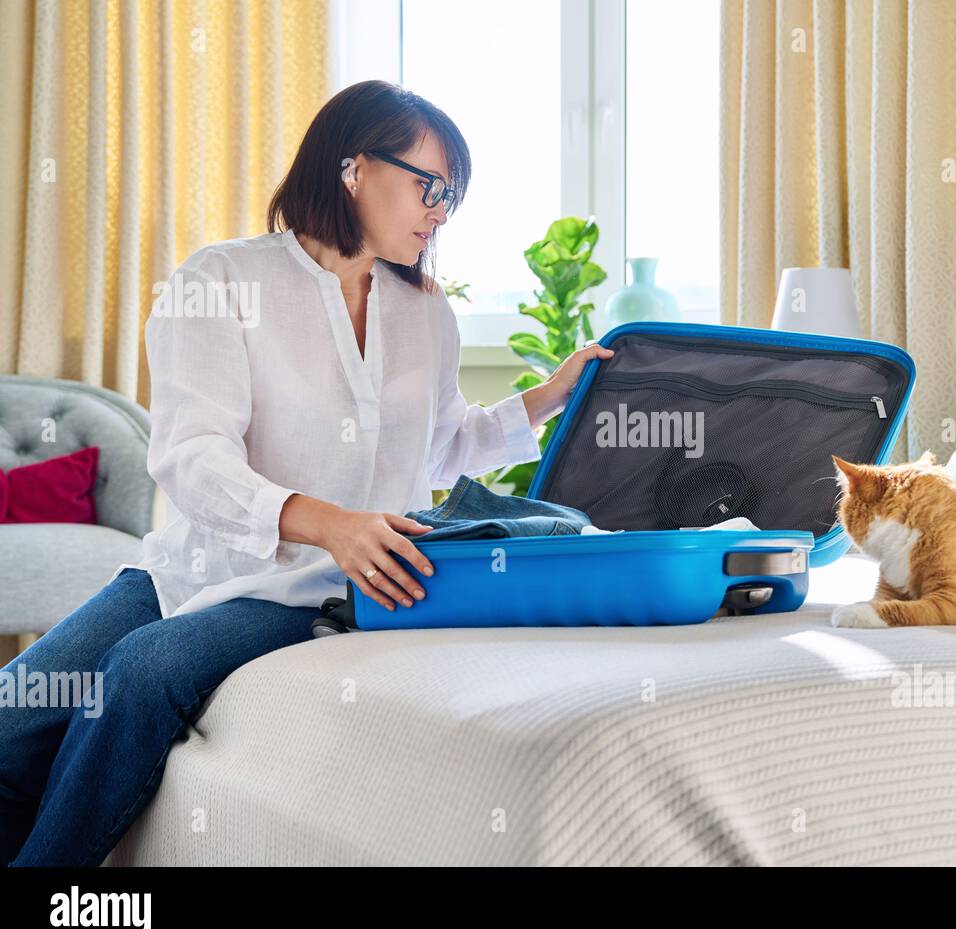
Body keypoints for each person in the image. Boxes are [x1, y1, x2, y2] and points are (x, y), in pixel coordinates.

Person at [0, 80, 614, 866]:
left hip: (326, 585)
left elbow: (442, 448)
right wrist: (328, 519)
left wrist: (546, 397)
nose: (441, 211)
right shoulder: (218, 281)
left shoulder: (427, 312)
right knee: (17, 716)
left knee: (143, 670)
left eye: (451, 195)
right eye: (429, 186)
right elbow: (193, 456)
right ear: (354, 168)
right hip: (188, 570)